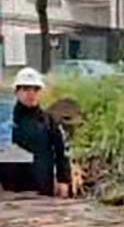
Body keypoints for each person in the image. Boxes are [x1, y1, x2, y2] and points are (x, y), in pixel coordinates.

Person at [0, 67, 71, 198]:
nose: (31, 93)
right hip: (8, 192)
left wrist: (64, 180)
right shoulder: (5, 121)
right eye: (26, 89)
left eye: (35, 89)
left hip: (41, 190)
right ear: (16, 92)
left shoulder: (49, 121)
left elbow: (61, 153)